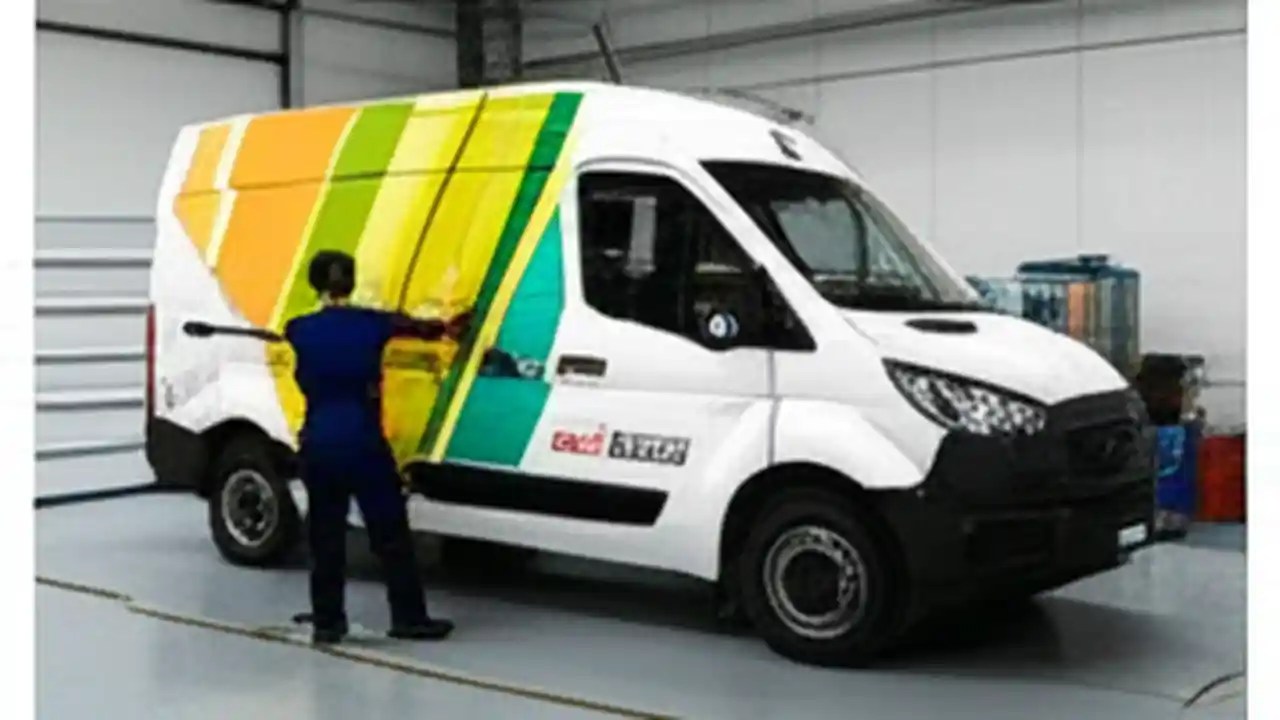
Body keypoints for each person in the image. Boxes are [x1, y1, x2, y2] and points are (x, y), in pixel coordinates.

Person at [283, 249, 471, 646]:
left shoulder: (298, 328)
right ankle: (408, 618)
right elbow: (426, 329)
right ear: (351, 282)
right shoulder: (374, 324)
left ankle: (328, 621)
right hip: (364, 444)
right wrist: (450, 327)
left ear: (314, 285)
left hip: (318, 444)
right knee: (390, 536)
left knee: (325, 536)